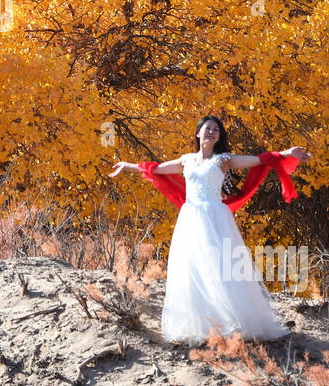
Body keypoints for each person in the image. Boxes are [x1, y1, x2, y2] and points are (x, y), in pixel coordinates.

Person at [108, 116, 312, 346]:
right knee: (192, 268)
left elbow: (258, 160)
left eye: (216, 130)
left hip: (216, 217)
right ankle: (200, 326)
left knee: (222, 267)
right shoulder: (186, 161)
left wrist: (286, 153)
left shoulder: (224, 160)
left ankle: (232, 323)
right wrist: (128, 165)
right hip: (190, 219)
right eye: (208, 129)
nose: (212, 132)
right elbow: (157, 169)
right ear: (198, 133)